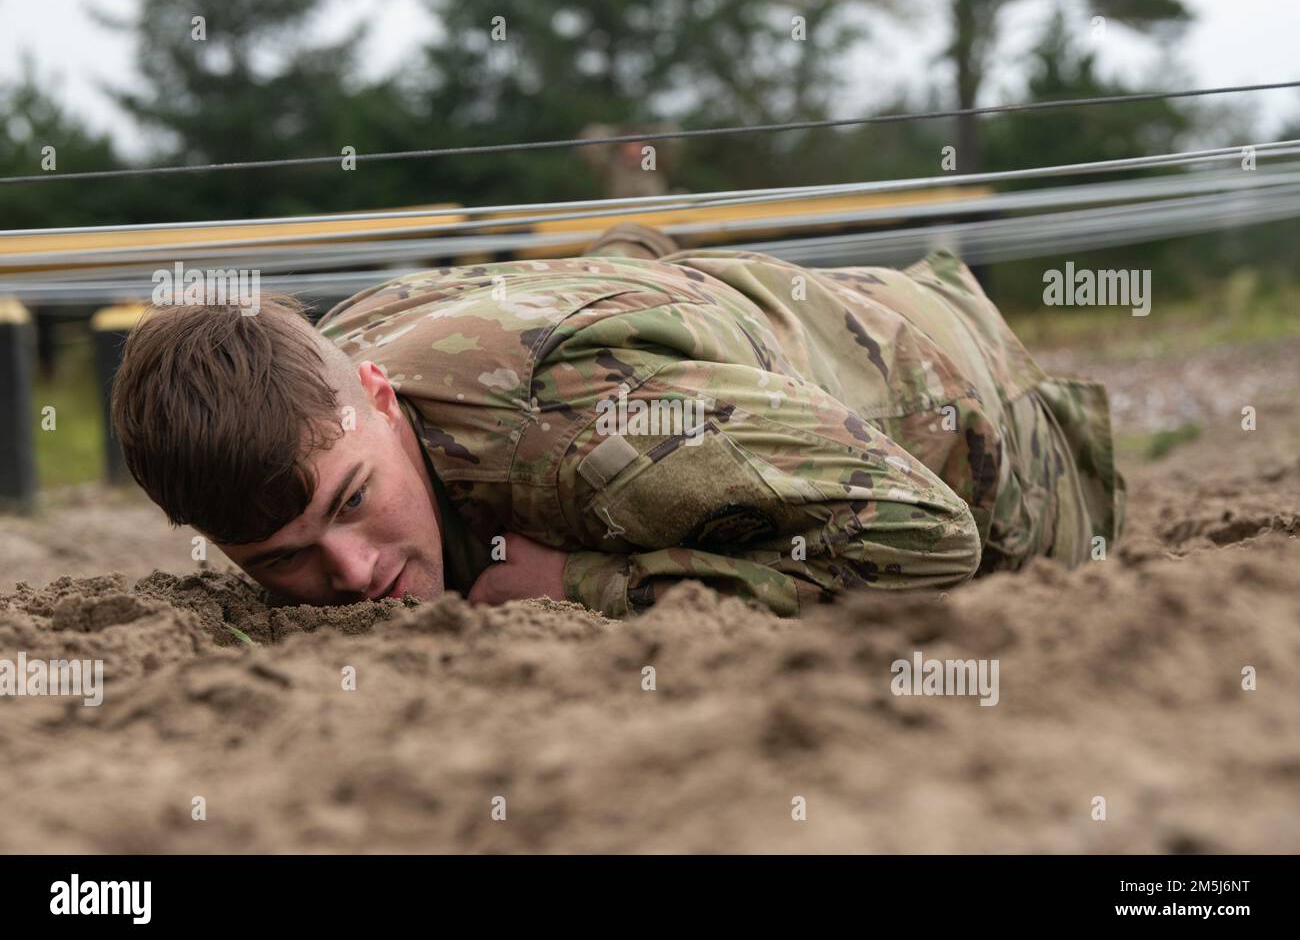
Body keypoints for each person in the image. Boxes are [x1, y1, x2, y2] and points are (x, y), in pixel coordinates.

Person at [111, 224, 1125, 618]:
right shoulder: (308, 383)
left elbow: (925, 537)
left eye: (356, 501)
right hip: (772, 329)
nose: (355, 572)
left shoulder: (586, 436)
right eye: (282, 559)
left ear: (379, 394)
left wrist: (585, 582)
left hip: (976, 405)